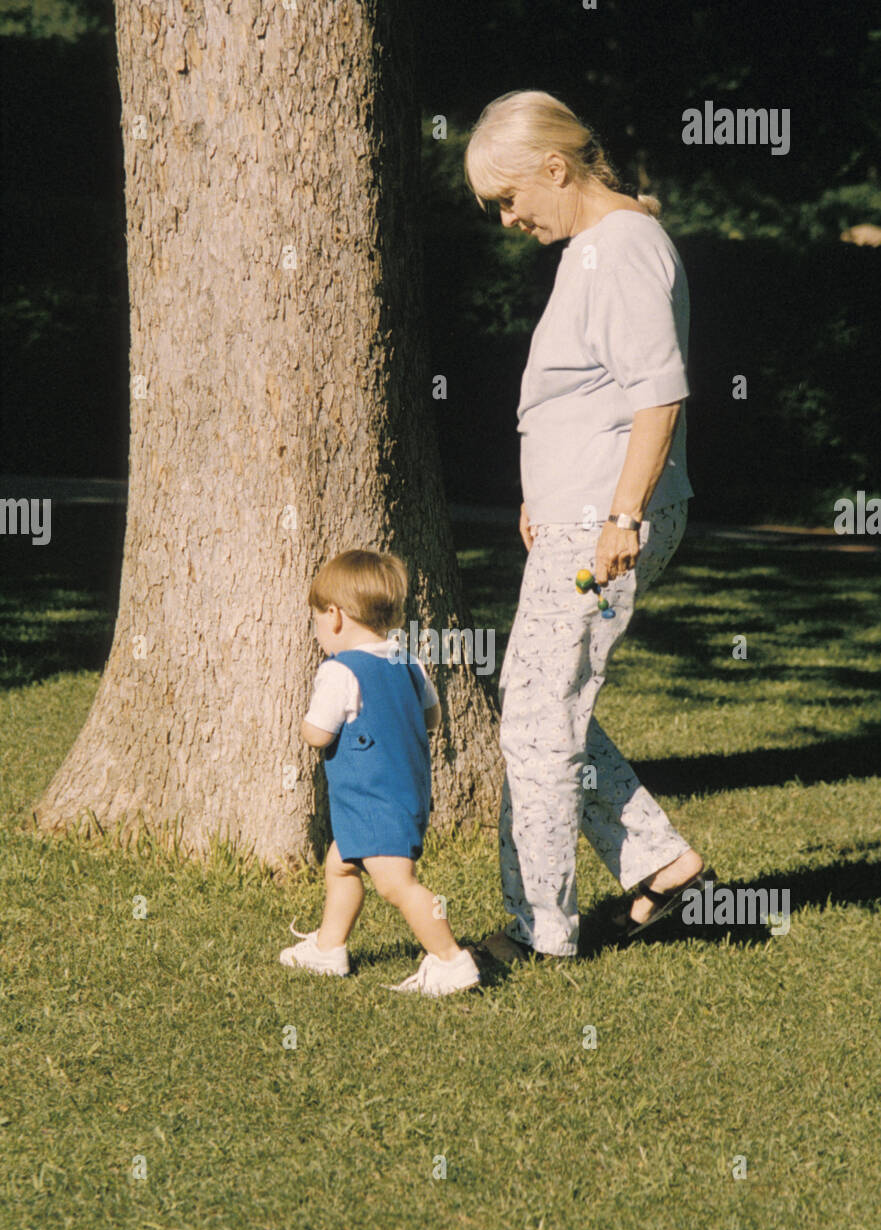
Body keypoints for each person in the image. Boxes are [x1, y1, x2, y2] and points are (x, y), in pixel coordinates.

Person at [464, 91, 706, 960]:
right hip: (577, 517)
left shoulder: (619, 248)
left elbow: (657, 392)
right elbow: (591, 395)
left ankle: (541, 931)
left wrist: (619, 515)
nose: (505, 219)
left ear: (554, 168)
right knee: (544, 709)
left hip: (603, 527)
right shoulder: (600, 248)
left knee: (535, 720)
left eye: (508, 197)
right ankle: (662, 864)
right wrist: (549, 490)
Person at [279, 548, 480, 996]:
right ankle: (329, 948)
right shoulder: (408, 661)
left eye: (316, 622)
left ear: (334, 617)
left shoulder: (339, 670)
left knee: (398, 885)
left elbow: (317, 734)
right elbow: (432, 717)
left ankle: (450, 960)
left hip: (371, 799)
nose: (318, 634)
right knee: (341, 866)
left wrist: (304, 724)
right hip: (404, 795)